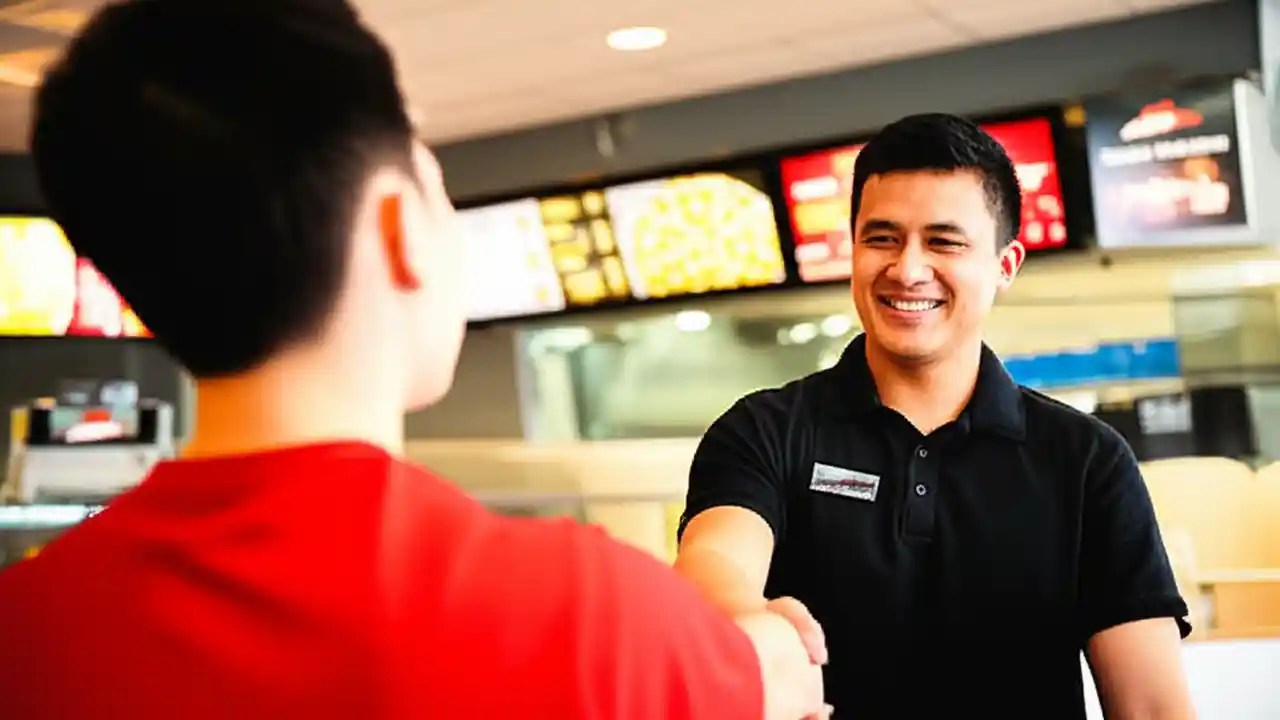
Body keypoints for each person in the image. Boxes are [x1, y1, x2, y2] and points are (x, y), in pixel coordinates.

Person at [0, 1, 829, 718]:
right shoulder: (584, 613)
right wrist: (761, 640)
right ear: (399, 227)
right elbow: (776, 674)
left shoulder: (28, 628)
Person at [674, 114, 1196, 719]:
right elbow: (714, 561)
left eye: (944, 242)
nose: (907, 269)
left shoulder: (1085, 459)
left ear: (1005, 264)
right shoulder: (764, 432)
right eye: (882, 238)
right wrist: (744, 618)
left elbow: (1152, 707)